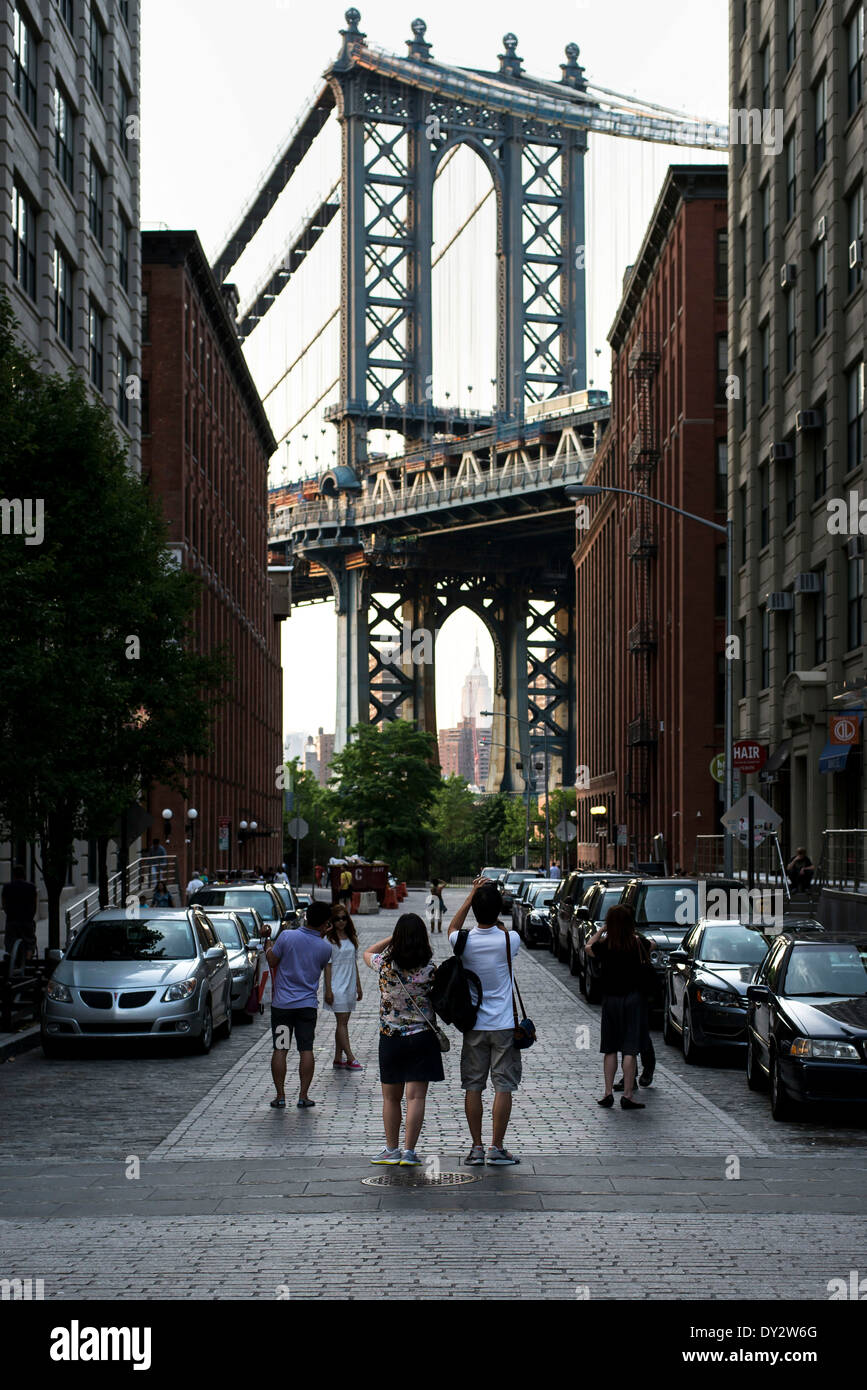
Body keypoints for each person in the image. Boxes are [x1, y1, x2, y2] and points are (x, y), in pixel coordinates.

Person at [448, 877, 523, 1166]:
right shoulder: (509, 939)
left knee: (474, 1086)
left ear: (475, 909)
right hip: (504, 1024)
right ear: (499, 910)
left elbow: (452, 927)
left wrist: (471, 895)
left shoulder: (463, 941)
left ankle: (476, 1147)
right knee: (503, 1085)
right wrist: (491, 905)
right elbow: (502, 927)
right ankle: (497, 1147)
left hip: (474, 1025)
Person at [363, 913, 444, 1165]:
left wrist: (394, 939)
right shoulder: (430, 969)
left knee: (391, 1097)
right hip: (422, 1037)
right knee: (416, 1097)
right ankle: (409, 1152)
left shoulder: (385, 965)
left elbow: (366, 952)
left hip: (391, 1037)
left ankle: (391, 1149)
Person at [266, 899, 333, 1109]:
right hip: (306, 1006)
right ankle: (303, 1095)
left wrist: (268, 943)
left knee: (281, 1048)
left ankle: (280, 1096)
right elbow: (317, 961)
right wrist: (322, 934)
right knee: (306, 1049)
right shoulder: (325, 948)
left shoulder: (287, 937)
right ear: (326, 924)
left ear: (306, 917)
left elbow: (272, 961)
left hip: (283, 1006)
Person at [585, 905, 647, 1111]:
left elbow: (588, 947)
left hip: (611, 999)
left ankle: (608, 1092)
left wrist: (601, 931)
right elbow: (652, 946)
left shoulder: (605, 945)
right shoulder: (637, 943)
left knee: (610, 1048)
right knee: (630, 1049)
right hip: (633, 999)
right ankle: (628, 1095)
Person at [324, 905, 363, 1070]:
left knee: (343, 1022)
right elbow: (327, 966)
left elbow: (354, 963)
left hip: (349, 985)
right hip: (336, 986)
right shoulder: (328, 940)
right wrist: (328, 990)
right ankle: (350, 1057)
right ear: (332, 921)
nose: (341, 922)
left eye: (344, 918)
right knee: (342, 1023)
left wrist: (359, 986)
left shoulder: (351, 937)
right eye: (338, 919)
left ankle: (338, 1058)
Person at [2, 865, 38, 960]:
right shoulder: (31, 887)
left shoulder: (7, 887)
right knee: (30, 942)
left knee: (10, 942)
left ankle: (12, 958)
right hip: (26, 920)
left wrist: (10, 914)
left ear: (13, 875)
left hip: (12, 920)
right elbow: (34, 906)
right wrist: (30, 917)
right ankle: (28, 960)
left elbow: (4, 905)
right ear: (24, 875)